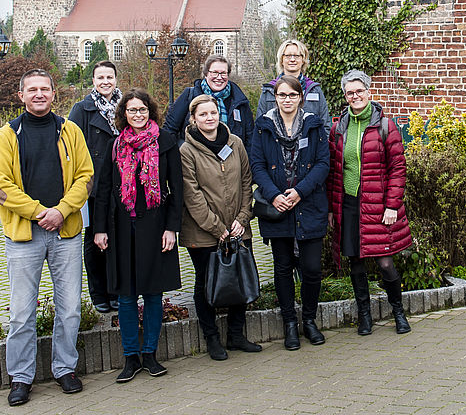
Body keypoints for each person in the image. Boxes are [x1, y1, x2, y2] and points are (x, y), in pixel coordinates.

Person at [0, 69, 93, 406]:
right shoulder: (8, 135)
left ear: (53, 93)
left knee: (70, 308)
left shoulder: (70, 130)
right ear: (22, 95)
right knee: (21, 311)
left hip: (65, 234)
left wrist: (62, 210)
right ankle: (21, 377)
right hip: (24, 236)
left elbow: (86, 177)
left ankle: (65, 368)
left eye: (44, 89)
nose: (38, 94)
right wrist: (38, 212)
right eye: (31, 89)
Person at [93, 88, 183, 383]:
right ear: (124, 114)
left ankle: (151, 355)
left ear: (150, 111)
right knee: (127, 295)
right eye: (132, 110)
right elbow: (103, 189)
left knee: (153, 293)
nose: (138, 115)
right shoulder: (115, 145)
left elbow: (177, 190)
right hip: (121, 228)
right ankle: (131, 358)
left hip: (155, 227)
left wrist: (172, 228)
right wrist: (100, 229)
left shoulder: (166, 143)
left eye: (142, 110)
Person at [326, 69, 412, 336]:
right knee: (357, 262)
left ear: (368, 92)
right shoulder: (338, 127)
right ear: (345, 96)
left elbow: (398, 167)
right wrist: (331, 208)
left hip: (378, 204)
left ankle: (398, 311)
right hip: (349, 205)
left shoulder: (386, 126)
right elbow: (333, 170)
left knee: (386, 263)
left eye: (359, 91)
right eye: (350, 93)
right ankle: (365, 316)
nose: (355, 96)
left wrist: (392, 205)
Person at [179, 94, 262, 360]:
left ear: (220, 114)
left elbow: (247, 181)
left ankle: (236, 335)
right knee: (206, 283)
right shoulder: (187, 151)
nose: (209, 118)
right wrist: (218, 228)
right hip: (203, 233)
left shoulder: (235, 143)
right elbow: (192, 195)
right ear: (193, 119)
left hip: (238, 228)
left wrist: (242, 218)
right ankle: (212, 338)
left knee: (240, 277)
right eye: (202, 114)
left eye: (213, 113)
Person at [250, 75, 330, 350]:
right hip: (278, 208)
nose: (287, 100)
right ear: (275, 97)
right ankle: (290, 325)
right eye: (282, 95)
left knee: (311, 269)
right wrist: (274, 195)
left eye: (292, 95)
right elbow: (257, 164)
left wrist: (300, 192)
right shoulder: (263, 126)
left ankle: (309, 320)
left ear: (301, 98)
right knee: (283, 269)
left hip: (308, 205)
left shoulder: (314, 125)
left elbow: (322, 164)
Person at [68, 60, 121, 314]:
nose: (105, 82)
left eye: (109, 77)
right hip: (92, 185)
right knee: (93, 239)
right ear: (93, 80)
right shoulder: (82, 109)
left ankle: (116, 290)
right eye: (100, 77)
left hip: (121, 184)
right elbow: (69, 147)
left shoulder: (125, 107)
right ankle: (98, 293)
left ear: (116, 79)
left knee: (117, 238)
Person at [164, 54, 253, 150]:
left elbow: (250, 137)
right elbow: (170, 129)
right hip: (193, 160)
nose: (219, 77)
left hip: (230, 160)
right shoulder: (190, 95)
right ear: (206, 74)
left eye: (223, 73)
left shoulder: (239, 100)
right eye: (214, 72)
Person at [255, 39, 331, 133]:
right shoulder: (269, 90)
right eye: (287, 56)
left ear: (303, 60)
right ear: (281, 60)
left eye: (296, 56)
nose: (292, 59)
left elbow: (325, 126)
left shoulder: (314, 90)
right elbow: (260, 126)